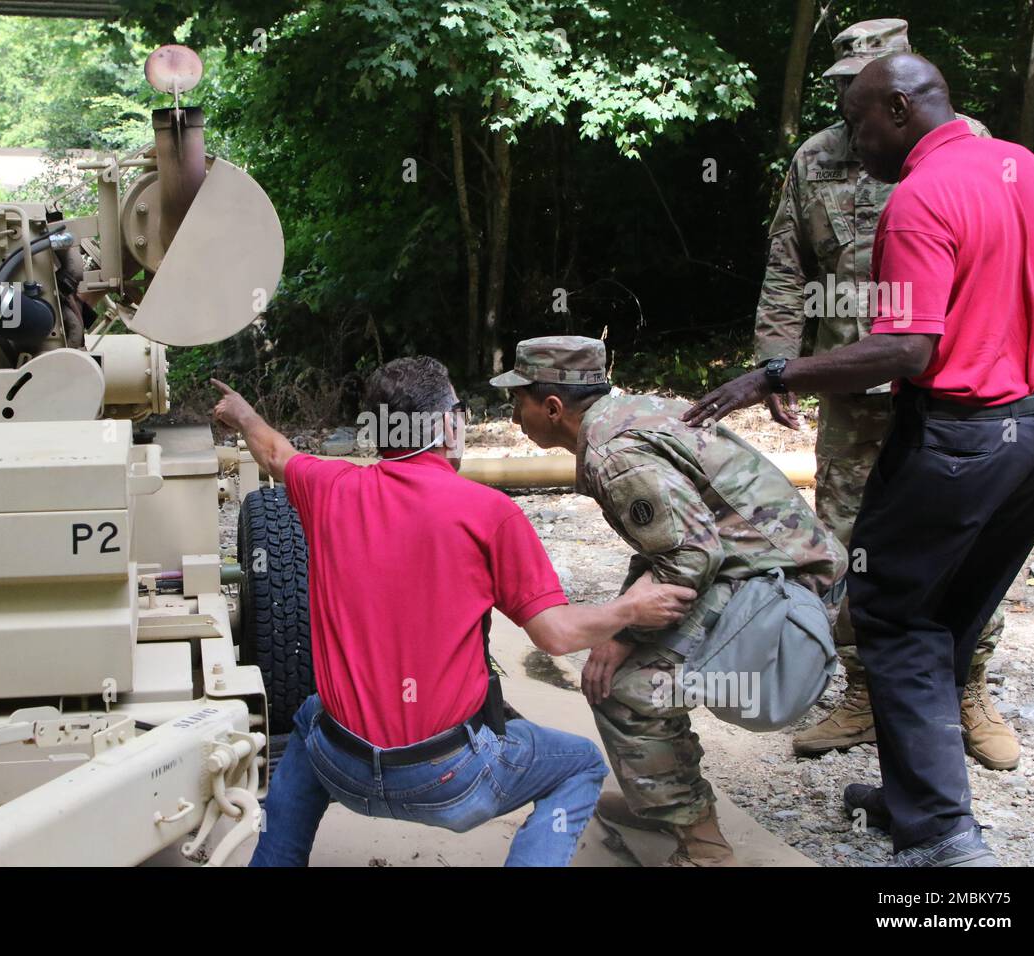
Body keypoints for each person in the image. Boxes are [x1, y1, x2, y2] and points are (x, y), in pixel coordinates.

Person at [685, 54, 1034, 866]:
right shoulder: (1025, 168)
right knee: (951, 613)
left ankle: (942, 841)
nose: (856, 143)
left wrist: (775, 373)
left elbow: (907, 349)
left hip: (961, 436)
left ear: (898, 107)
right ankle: (908, 796)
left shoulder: (920, 196)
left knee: (893, 615)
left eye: (860, 124)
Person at [212, 357, 697, 866]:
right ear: (448, 424)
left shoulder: (327, 487)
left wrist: (243, 414)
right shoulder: (490, 513)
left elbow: (274, 452)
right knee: (580, 765)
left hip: (343, 764)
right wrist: (631, 608)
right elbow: (556, 635)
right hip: (447, 781)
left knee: (313, 719)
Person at [755, 18, 1015, 769]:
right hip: (852, 382)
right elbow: (785, 264)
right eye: (842, 89)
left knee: (965, 535)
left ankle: (968, 685)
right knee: (847, 539)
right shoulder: (817, 160)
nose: (851, 103)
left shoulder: (969, 144)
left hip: (951, 383)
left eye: (864, 87)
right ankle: (864, 689)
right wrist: (777, 359)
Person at [493, 336, 847, 866]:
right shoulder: (632, 413)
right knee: (626, 669)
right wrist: (626, 618)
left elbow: (690, 556)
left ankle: (701, 844)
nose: (512, 413)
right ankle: (664, 802)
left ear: (552, 406)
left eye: (516, 400)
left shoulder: (616, 454)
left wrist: (623, 634)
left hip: (780, 585)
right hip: (750, 562)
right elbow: (669, 543)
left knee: (623, 687)